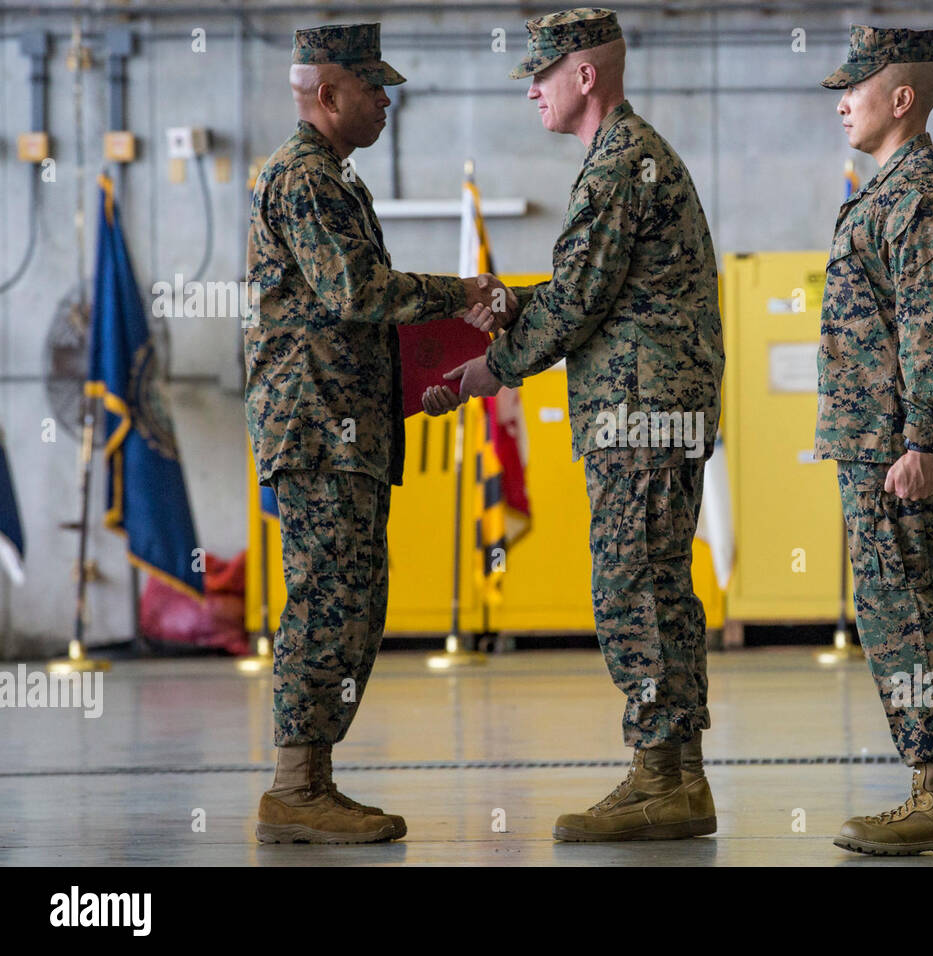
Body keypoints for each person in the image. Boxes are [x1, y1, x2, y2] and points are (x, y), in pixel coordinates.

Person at [422, 7, 725, 843]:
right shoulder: (631, 159)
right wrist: (514, 305)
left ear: (584, 75)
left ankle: (661, 775)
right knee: (661, 584)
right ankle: (680, 776)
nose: (531, 91)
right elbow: (596, 290)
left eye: (542, 73)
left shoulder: (620, 165)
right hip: (654, 407)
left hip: (641, 413)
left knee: (632, 584)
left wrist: (492, 370)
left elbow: (582, 303)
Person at [245, 22, 513, 844]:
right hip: (319, 429)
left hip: (347, 424)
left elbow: (353, 320)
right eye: (373, 86)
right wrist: (459, 290)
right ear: (328, 93)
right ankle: (294, 789)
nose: (387, 99)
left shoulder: (335, 180)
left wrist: (425, 379)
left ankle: (314, 782)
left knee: (354, 602)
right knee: (329, 600)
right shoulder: (305, 180)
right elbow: (355, 293)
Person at [816, 25, 933, 856]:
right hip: (873, 450)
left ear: (903, 98)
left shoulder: (919, 194)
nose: (841, 99)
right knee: (891, 612)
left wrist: (923, 440)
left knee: (912, 611)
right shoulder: (889, 190)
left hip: (897, 454)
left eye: (856, 85)